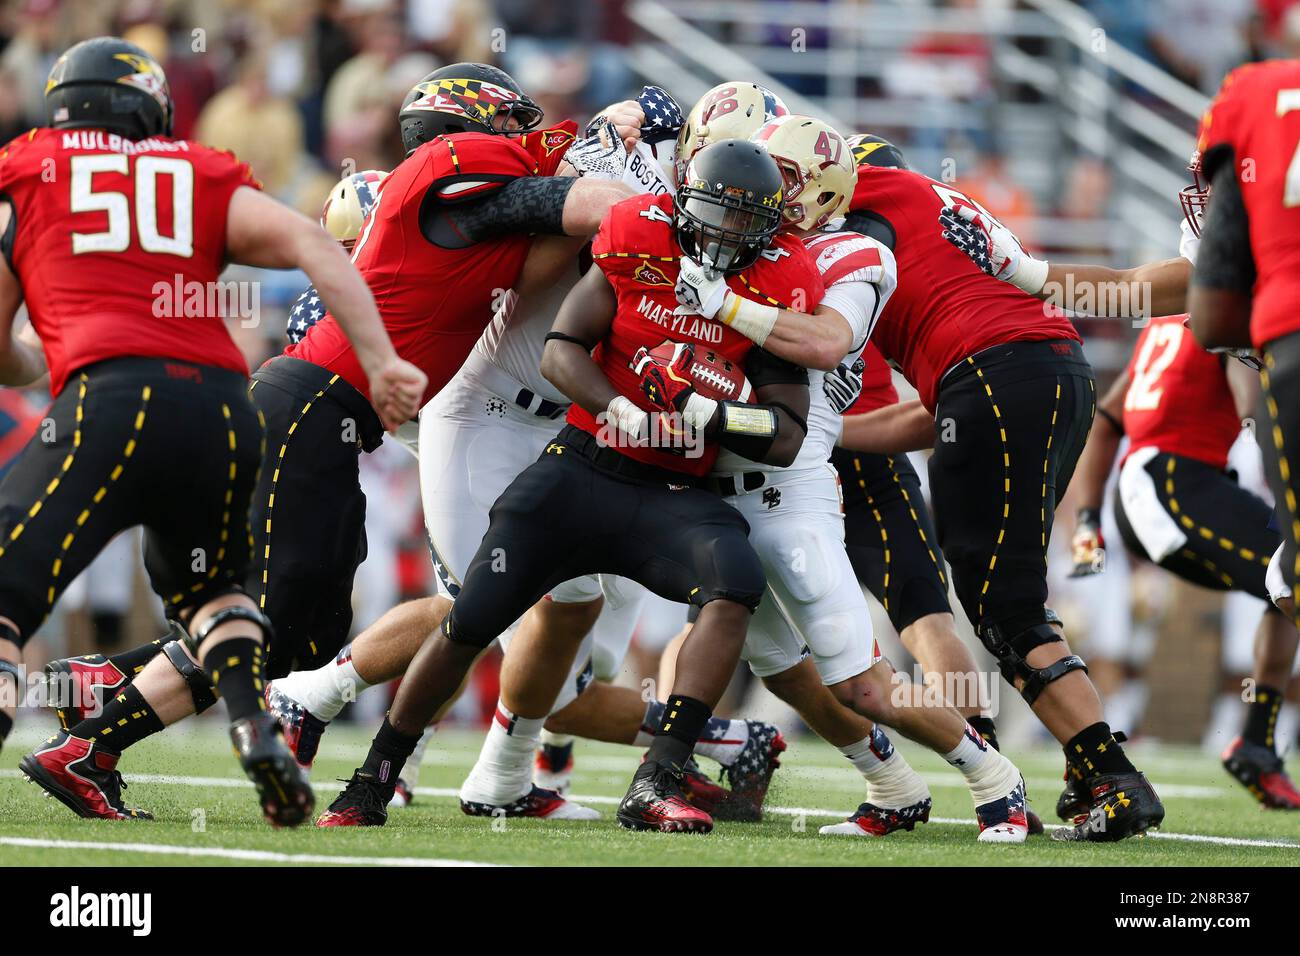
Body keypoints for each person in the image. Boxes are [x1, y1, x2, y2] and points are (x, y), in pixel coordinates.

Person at [317, 138, 820, 834]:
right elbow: (563, 347)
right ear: (684, 204)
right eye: (715, 213)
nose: (727, 233)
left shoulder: (773, 289)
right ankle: (374, 776)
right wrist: (621, 410)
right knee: (475, 608)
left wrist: (704, 414)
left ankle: (658, 780)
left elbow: (787, 432)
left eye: (745, 222)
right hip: (585, 461)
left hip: (673, 491)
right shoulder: (638, 240)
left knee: (733, 582)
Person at [4, 37, 423, 826]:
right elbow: (308, 249)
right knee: (231, 601)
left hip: (109, 401)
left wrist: (30, 357)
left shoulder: (34, 164)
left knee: (15, 592)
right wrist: (385, 359)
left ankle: (92, 698)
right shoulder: (196, 171)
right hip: (224, 410)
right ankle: (190, 730)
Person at [838, 133, 1164, 842]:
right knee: (1013, 599)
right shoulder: (944, 227)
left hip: (995, 379)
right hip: (1054, 373)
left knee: (1007, 608)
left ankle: (1108, 772)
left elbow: (963, 386)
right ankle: (1089, 768)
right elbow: (935, 410)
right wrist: (829, 435)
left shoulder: (873, 212)